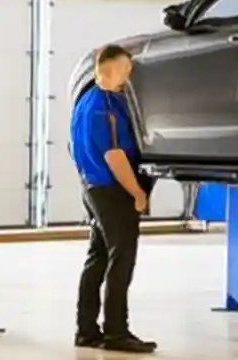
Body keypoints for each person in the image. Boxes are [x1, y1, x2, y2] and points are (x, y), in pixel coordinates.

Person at [71, 43, 156, 354]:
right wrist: (136, 193)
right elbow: (115, 155)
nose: (130, 74)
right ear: (107, 70)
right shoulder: (104, 108)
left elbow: (74, 149)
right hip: (112, 190)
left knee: (98, 258)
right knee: (121, 259)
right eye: (125, 69)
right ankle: (117, 332)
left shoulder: (85, 102)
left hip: (92, 187)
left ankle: (86, 330)